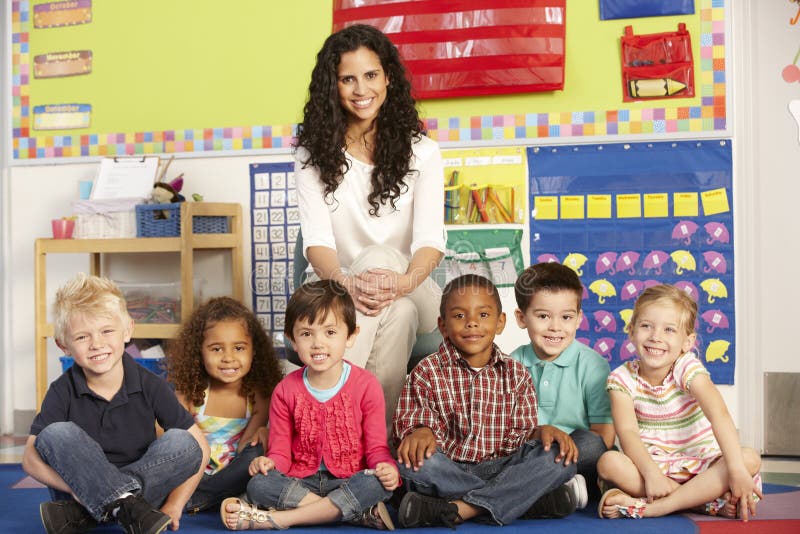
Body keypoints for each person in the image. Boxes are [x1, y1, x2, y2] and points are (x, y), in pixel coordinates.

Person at [295, 23, 446, 425]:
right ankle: (374, 442)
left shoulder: (424, 153)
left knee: (384, 261)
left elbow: (431, 241)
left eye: (371, 75)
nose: (362, 89)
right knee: (398, 318)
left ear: (388, 78)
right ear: (333, 86)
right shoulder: (312, 154)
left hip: (415, 288)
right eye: (348, 79)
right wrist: (348, 284)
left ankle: (324, 418)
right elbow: (317, 241)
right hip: (338, 290)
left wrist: (400, 283)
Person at [22, 273, 210, 534]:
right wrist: (79, 489)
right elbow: (30, 460)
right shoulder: (61, 390)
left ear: (127, 330)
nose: (96, 344)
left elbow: (200, 448)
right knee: (55, 433)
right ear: (63, 345)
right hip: (79, 494)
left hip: (141, 495)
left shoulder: (151, 384)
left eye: (107, 331)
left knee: (184, 443)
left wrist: (175, 505)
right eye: (81, 337)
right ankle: (124, 506)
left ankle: (91, 513)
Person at [392, 274, 583, 528]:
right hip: (448, 467)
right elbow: (414, 420)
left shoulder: (516, 374)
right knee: (412, 465)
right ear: (443, 325)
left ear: (500, 322)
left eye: (483, 315)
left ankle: (459, 509)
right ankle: (526, 501)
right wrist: (420, 431)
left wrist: (539, 432)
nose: (472, 324)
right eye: (459, 316)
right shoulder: (426, 371)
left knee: (559, 457)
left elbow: (519, 437)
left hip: (504, 466)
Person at [220, 280, 400, 531]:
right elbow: (280, 452)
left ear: (350, 336)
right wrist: (269, 464)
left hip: (349, 480)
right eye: (306, 333)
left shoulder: (366, 385)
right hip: (301, 482)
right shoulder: (285, 390)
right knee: (259, 484)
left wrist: (386, 467)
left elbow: (376, 448)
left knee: (377, 484)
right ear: (293, 340)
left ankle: (281, 519)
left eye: (330, 332)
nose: (318, 343)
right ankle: (353, 514)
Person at [596, 284, 762, 521]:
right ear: (631, 331)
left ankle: (656, 507)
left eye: (669, 330)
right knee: (608, 463)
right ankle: (700, 503)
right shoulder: (621, 379)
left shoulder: (687, 367)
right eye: (646, 326)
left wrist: (735, 469)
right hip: (656, 469)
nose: (656, 337)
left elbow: (719, 415)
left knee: (748, 459)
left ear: (687, 341)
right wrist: (652, 474)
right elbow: (628, 433)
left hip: (704, 466)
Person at [167, 296, 283, 513]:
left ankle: (200, 499)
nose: (228, 358)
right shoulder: (190, 392)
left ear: (254, 351)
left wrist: (263, 434)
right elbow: (177, 443)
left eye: (239, 348)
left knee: (258, 449)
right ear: (199, 352)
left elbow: (244, 448)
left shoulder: (259, 395)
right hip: (193, 471)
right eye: (216, 349)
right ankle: (204, 497)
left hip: (234, 472)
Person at [510, 262, 615, 503]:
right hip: (528, 451)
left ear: (578, 319)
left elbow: (604, 436)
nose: (555, 327)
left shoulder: (593, 365)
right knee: (500, 454)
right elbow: (505, 430)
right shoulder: (511, 364)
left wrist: (563, 448)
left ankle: (534, 487)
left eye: (566, 317)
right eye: (543, 316)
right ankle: (551, 492)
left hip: (577, 455)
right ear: (521, 317)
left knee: (592, 445)